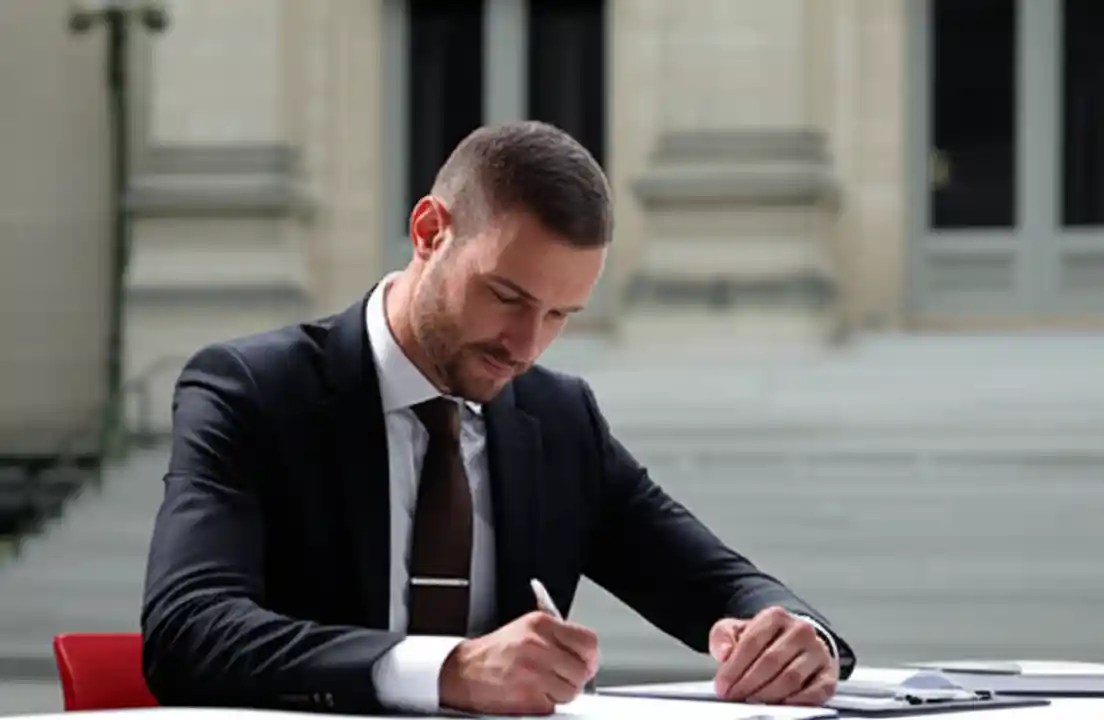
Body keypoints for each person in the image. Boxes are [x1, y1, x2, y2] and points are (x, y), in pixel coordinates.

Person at [142, 121, 855, 716]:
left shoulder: (557, 417)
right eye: (507, 297)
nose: (526, 346)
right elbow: (188, 629)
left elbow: (714, 580)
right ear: (429, 231)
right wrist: (448, 670)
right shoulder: (253, 391)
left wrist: (799, 641)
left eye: (559, 315)